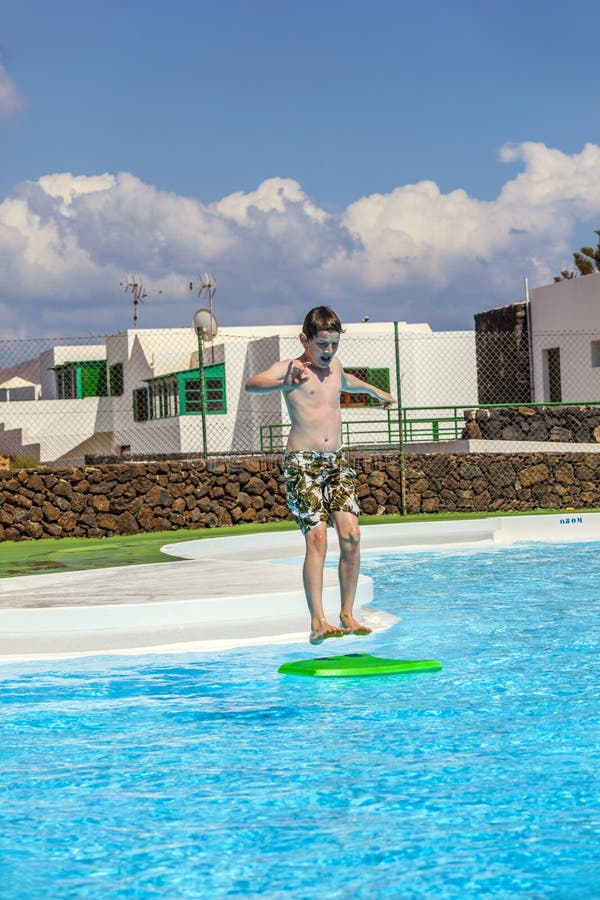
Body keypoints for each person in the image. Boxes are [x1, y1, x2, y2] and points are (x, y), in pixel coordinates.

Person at [245, 306, 395, 644]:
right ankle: (317, 621)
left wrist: (375, 392)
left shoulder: (335, 366)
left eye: (334, 344)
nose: (328, 351)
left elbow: (347, 381)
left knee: (352, 536)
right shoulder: (292, 368)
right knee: (317, 539)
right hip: (302, 463)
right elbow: (252, 385)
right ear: (305, 339)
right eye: (322, 344)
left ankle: (347, 614)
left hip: (336, 462)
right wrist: (282, 381)